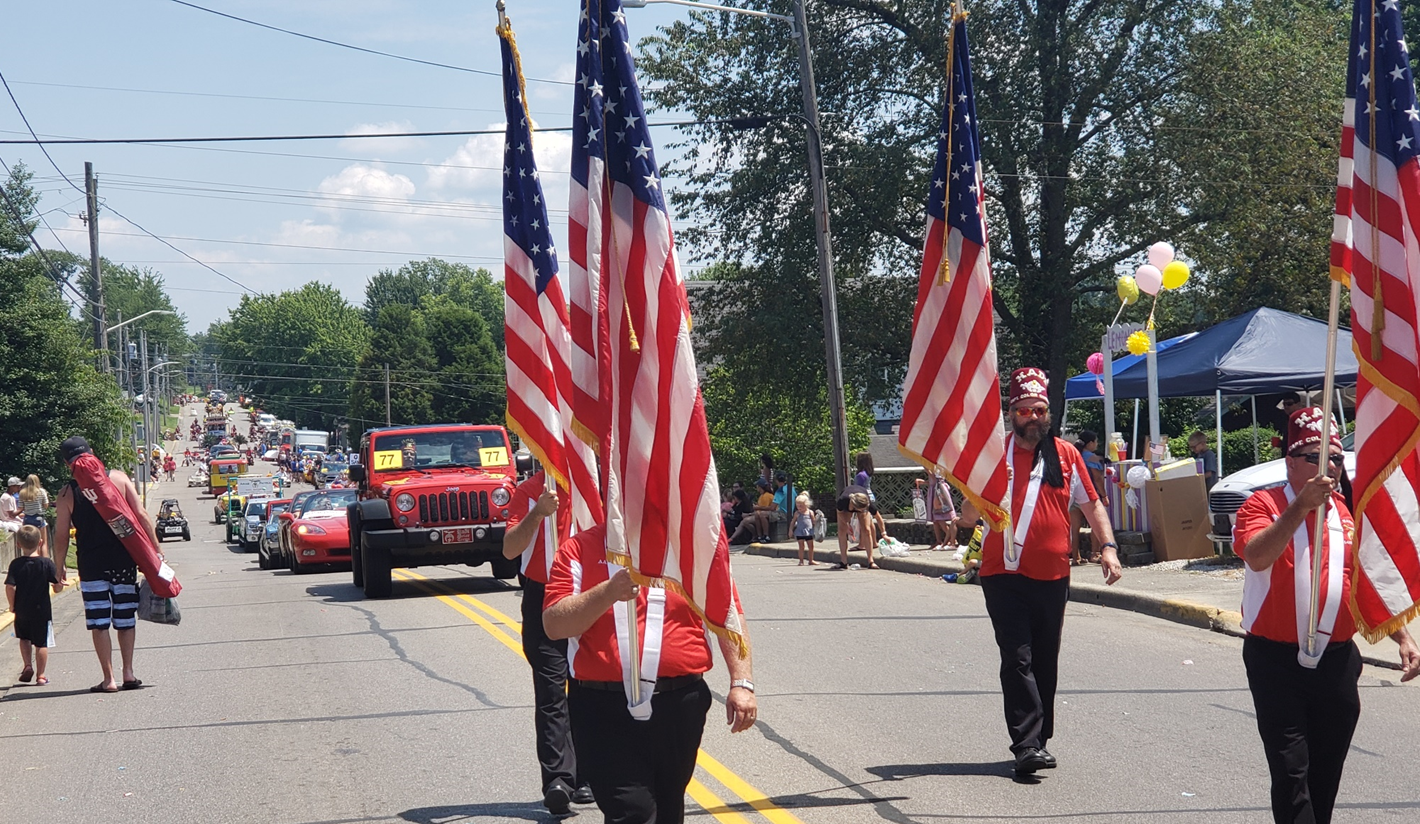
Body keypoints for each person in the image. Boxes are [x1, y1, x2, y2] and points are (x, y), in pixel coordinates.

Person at [1232, 407, 1420, 824]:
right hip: (1276, 660)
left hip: (1336, 660)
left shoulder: (1349, 511)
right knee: (1291, 772)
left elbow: (1367, 582)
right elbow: (1256, 556)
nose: (1330, 466)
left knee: (1325, 772)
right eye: (1316, 456)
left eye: (1335, 457)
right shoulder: (1262, 504)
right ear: (1290, 462)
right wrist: (1300, 507)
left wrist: (1403, 637)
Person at [960, 368, 1123, 775]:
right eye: (1024, 410)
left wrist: (1108, 547)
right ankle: (1026, 744)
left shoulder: (1066, 455)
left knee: (1045, 658)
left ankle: (1039, 738)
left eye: (1039, 409)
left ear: (1048, 413)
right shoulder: (993, 454)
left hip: (1052, 575)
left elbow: (1092, 506)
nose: (1033, 416)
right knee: (1017, 656)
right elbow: (965, 517)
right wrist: (971, 485)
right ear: (1011, 413)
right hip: (1003, 573)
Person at [543, 523, 756, 824]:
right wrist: (608, 591)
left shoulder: (691, 549)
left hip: (680, 703)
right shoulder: (579, 548)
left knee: (668, 809)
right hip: (602, 708)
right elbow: (554, 625)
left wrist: (742, 682)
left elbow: (729, 615)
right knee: (632, 812)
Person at [502, 470, 594, 814]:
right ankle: (559, 779)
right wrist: (537, 513)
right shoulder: (528, 491)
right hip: (543, 596)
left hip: (589, 595)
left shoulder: (593, 489)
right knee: (552, 692)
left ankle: (587, 774)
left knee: (588, 689)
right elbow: (510, 548)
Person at [52, 436, 156, 694]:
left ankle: (108, 679)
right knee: (125, 618)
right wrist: (156, 550)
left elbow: (61, 535)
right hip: (124, 561)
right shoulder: (119, 478)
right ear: (93, 452)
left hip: (91, 565)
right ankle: (128, 672)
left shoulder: (66, 493)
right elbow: (141, 515)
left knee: (99, 622)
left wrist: (59, 567)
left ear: (68, 464)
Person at [5, 525, 63, 685]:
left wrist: (12, 605)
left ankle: (27, 665)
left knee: (24, 638)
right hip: (42, 610)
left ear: (18, 545)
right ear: (41, 542)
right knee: (41, 643)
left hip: (22, 609)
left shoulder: (16, 564)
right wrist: (58, 586)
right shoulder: (46, 563)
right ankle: (41, 675)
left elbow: (10, 587)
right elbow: (57, 586)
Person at [833, 488, 875, 569]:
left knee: (866, 530)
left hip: (860, 500)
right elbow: (839, 513)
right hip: (849, 504)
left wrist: (884, 534)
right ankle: (843, 561)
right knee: (842, 530)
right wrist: (846, 524)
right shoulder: (843, 501)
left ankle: (871, 561)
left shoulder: (866, 503)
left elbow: (878, 517)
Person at [18, 475, 51, 558]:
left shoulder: (22, 493)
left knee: (28, 543)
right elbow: (46, 505)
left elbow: (21, 507)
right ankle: (44, 561)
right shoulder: (41, 491)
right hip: (39, 518)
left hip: (27, 518)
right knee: (43, 542)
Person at [926, 471, 957, 551]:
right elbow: (932, 480)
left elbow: (933, 476)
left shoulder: (937, 468)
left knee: (940, 518)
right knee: (935, 520)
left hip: (938, 492)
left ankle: (951, 539)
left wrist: (925, 466)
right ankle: (939, 540)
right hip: (934, 490)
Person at [792, 492, 817, 565]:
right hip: (800, 531)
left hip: (809, 531)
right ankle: (801, 561)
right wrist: (791, 530)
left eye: (801, 506)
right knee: (801, 546)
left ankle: (811, 560)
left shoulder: (810, 512)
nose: (799, 508)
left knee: (811, 546)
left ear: (806, 505)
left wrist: (816, 527)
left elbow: (813, 521)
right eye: (798, 506)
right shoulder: (797, 513)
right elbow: (793, 522)